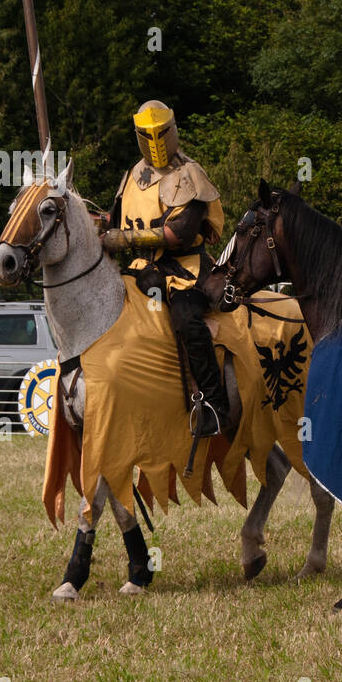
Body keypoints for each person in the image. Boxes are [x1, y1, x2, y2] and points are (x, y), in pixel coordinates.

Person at [100, 100, 229, 435]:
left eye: (162, 133)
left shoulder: (190, 174)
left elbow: (180, 233)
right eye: (148, 135)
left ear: (173, 130)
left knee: (186, 320)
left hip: (188, 271)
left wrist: (123, 240)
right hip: (142, 270)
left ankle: (214, 405)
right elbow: (112, 220)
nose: (156, 141)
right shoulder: (131, 176)